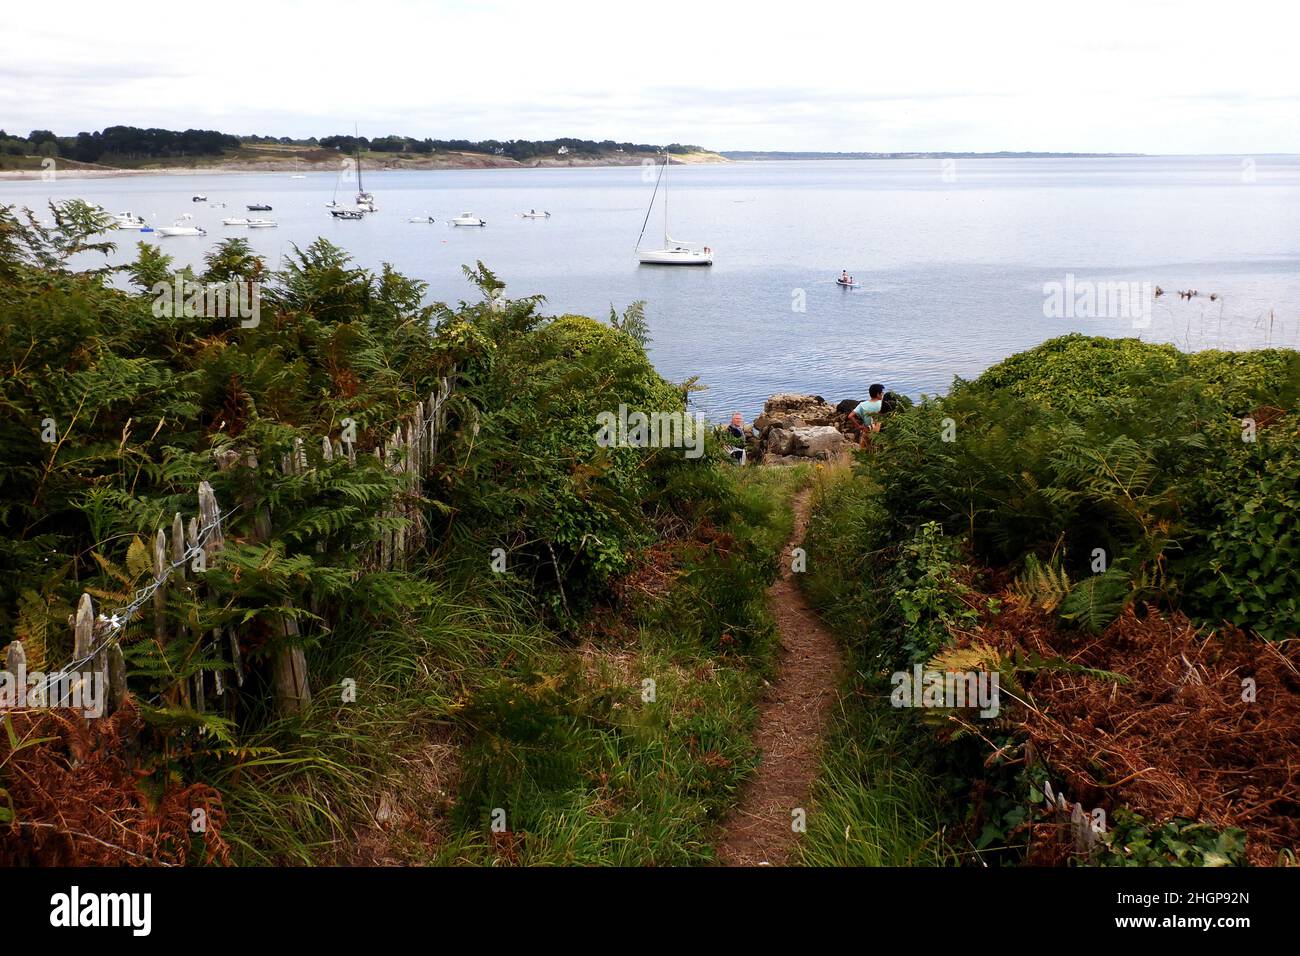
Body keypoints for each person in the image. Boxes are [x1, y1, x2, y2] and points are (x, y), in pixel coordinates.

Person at [847, 383, 885, 448]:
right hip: (880, 432)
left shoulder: (862, 404)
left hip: (867, 431)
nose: (883, 394)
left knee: (866, 451)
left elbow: (850, 416)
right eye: (882, 393)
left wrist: (859, 426)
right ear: (878, 394)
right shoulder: (883, 404)